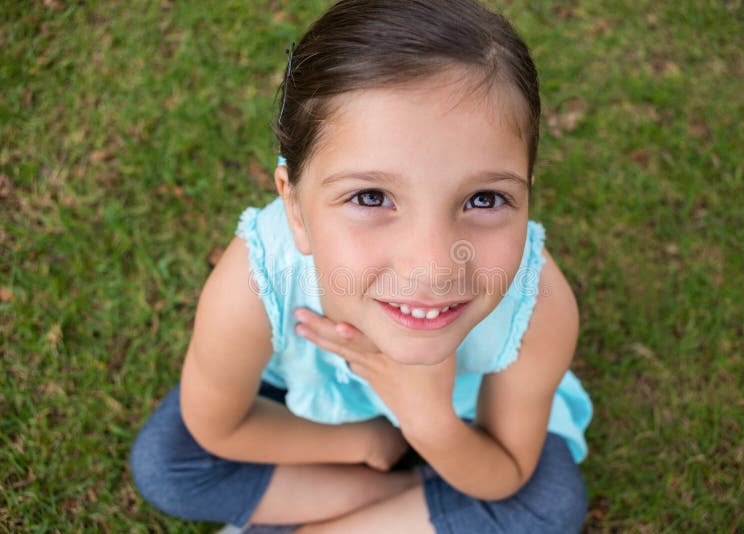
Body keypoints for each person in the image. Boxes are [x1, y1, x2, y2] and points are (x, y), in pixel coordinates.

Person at [130, 0, 593, 532]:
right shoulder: (255, 282)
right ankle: (418, 495)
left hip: (464, 421)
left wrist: (428, 420)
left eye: (484, 199)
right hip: (311, 410)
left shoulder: (540, 306)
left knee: (548, 503)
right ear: (295, 209)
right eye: (371, 197)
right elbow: (218, 428)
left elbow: (506, 471)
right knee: (167, 464)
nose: (433, 270)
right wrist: (368, 441)